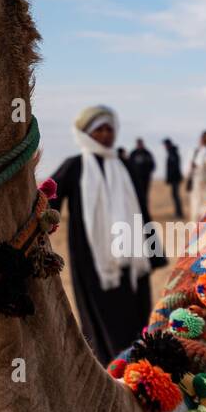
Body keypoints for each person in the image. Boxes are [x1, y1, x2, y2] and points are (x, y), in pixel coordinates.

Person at [52, 106, 160, 365]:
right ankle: (108, 365)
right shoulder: (75, 167)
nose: (106, 134)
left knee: (136, 315)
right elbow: (48, 201)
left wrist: (153, 252)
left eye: (110, 128)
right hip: (94, 259)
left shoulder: (125, 165)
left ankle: (139, 362)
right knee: (102, 315)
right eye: (99, 129)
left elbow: (141, 211)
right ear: (86, 133)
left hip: (132, 259)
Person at [127, 137, 155, 215]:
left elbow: (152, 165)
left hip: (146, 179)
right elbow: (129, 165)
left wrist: (148, 173)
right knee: (136, 196)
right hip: (135, 180)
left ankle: (145, 211)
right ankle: (137, 211)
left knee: (145, 196)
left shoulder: (147, 153)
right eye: (138, 143)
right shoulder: (133, 153)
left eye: (141, 143)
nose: (140, 145)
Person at [163, 138, 184, 219]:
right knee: (175, 195)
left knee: (176, 195)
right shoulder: (172, 152)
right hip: (174, 178)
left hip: (175, 178)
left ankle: (179, 213)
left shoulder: (173, 153)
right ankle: (178, 212)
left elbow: (174, 167)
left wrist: (171, 177)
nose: (164, 147)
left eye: (165, 145)